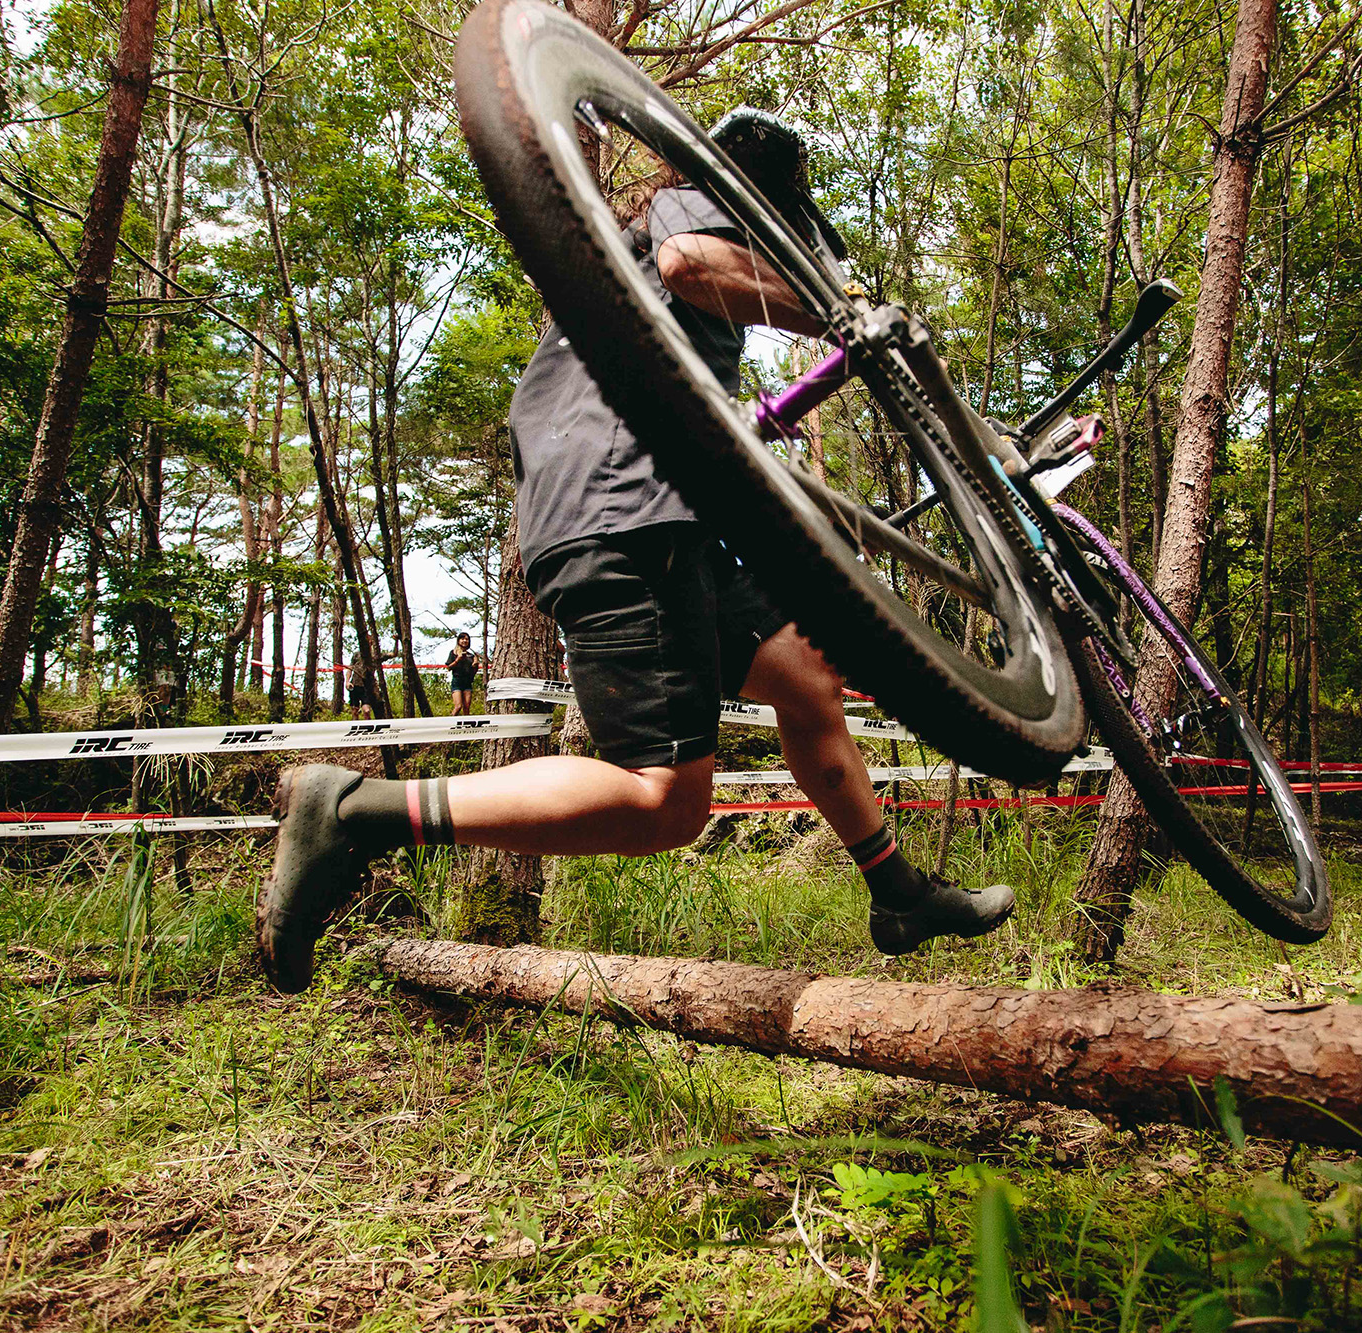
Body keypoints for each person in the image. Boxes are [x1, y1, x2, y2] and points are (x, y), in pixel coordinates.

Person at [255, 108, 1015, 995]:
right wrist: (829, 310)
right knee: (664, 798)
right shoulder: (686, 216)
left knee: (806, 676)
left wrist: (987, 438)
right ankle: (356, 810)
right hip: (625, 504)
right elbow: (689, 264)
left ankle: (898, 895)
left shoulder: (634, 278)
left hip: (655, 507)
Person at [445, 633, 482, 715]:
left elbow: (473, 672)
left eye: (467, 639)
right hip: (457, 681)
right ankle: (450, 723)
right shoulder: (453, 653)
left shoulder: (471, 655)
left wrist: (475, 665)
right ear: (458, 641)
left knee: (466, 707)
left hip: (467, 682)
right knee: (458, 706)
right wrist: (458, 659)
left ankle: (466, 725)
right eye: (462, 639)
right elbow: (448, 667)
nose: (465, 641)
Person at [346, 648, 374, 719]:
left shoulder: (374, 656)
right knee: (355, 710)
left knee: (366, 710)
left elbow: (393, 654)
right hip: (355, 685)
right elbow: (350, 668)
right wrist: (347, 682)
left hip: (366, 686)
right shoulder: (357, 654)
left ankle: (368, 728)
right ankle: (356, 728)